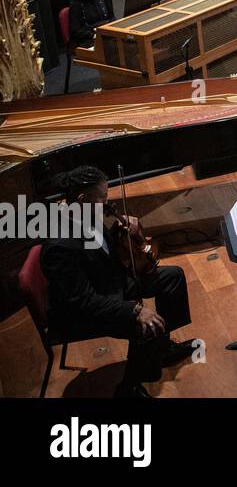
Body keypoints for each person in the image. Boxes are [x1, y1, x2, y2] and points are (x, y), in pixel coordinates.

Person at [41, 166, 198, 398]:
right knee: (145, 327)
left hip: (110, 282)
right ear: (83, 199)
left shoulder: (85, 212)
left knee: (172, 277)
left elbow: (102, 253)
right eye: (103, 197)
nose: (108, 202)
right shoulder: (59, 245)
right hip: (86, 310)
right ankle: (129, 388)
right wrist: (134, 310)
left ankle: (163, 349)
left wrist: (119, 233)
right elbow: (82, 300)